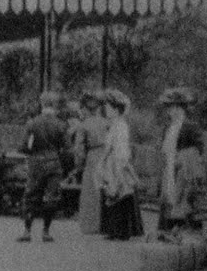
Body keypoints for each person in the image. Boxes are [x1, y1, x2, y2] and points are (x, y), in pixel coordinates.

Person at [17, 91, 71, 242]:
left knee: (30, 197)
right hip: (54, 163)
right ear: (55, 106)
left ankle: (27, 231)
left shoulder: (32, 123)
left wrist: (31, 151)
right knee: (51, 198)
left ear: (41, 104)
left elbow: (22, 146)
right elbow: (67, 148)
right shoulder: (61, 125)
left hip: (36, 164)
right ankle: (46, 232)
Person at [155, 87, 205, 234]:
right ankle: (167, 232)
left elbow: (198, 150)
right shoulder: (168, 127)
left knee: (182, 201)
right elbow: (163, 148)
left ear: (180, 108)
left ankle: (185, 234)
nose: (169, 111)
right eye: (169, 108)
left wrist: (184, 158)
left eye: (172, 107)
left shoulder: (190, 127)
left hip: (184, 170)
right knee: (168, 200)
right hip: (169, 168)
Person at [98, 89, 143, 240]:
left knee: (120, 194)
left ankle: (122, 231)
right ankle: (115, 230)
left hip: (118, 162)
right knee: (114, 194)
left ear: (116, 109)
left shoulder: (121, 126)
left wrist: (120, 165)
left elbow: (120, 149)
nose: (106, 110)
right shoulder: (115, 124)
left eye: (109, 107)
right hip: (113, 161)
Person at [72, 91, 110, 235]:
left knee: (91, 191)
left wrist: (79, 166)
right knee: (105, 189)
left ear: (85, 109)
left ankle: (91, 225)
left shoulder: (83, 125)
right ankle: (106, 224)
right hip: (106, 156)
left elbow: (79, 149)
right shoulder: (106, 122)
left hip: (93, 157)